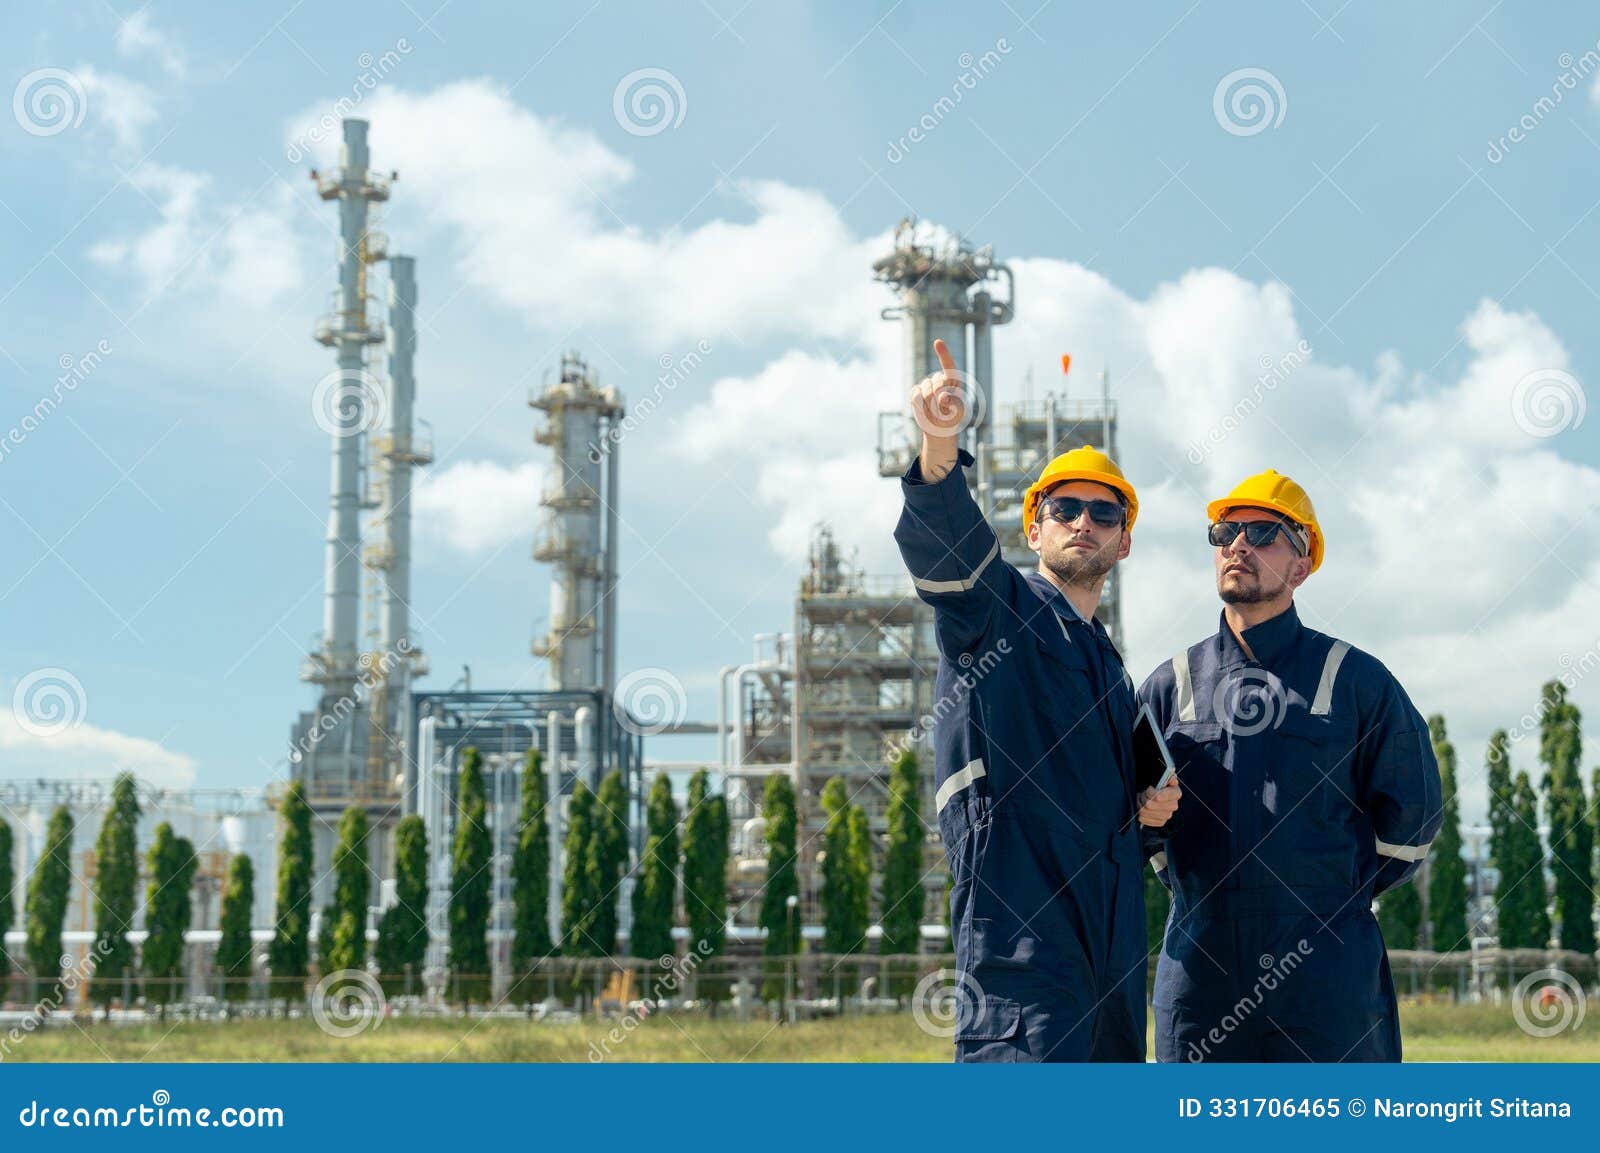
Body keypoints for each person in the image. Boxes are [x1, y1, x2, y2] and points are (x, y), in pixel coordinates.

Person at [894, 338, 1179, 1062]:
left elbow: (1122, 818)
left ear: (1124, 543)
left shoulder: (1111, 671)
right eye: (1065, 508)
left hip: (1114, 971)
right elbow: (951, 553)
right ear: (1034, 526)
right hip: (1022, 955)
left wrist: (1151, 809)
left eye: (1105, 514)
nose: (1085, 522)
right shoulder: (1000, 613)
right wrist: (938, 450)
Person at [1138, 468, 1441, 1062]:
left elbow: (1414, 815)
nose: (1237, 545)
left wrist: (1333, 893)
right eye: (1225, 532)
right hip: (1201, 973)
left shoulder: (1355, 682)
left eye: (1262, 533)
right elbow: (1135, 822)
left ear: (1301, 566)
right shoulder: (1170, 687)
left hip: (1325, 975)